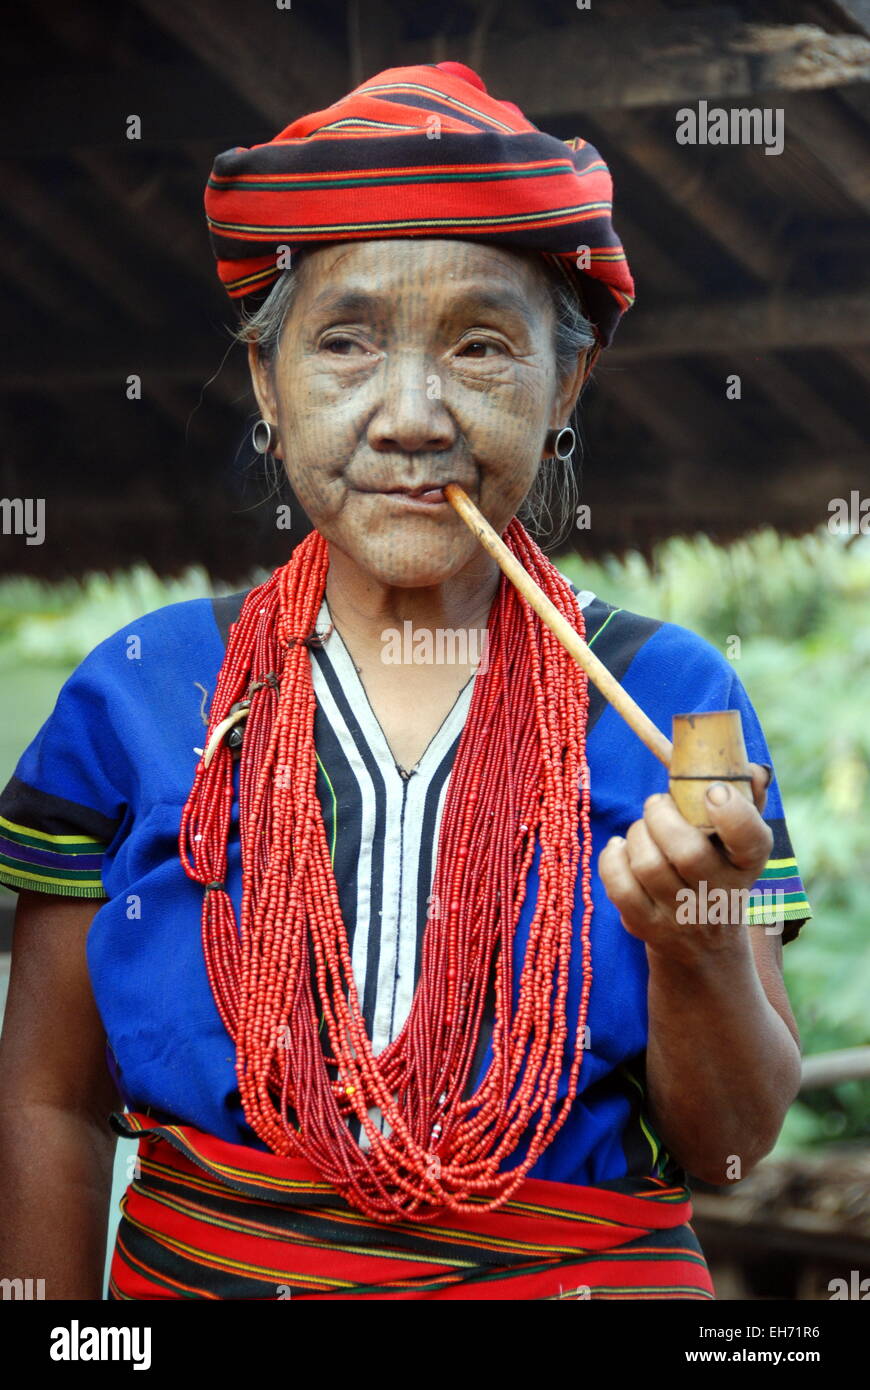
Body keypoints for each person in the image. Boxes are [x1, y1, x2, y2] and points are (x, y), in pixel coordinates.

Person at [0, 61, 812, 1301]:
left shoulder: (670, 693)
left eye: (482, 346)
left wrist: (693, 944)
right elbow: (54, 1102)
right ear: (269, 385)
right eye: (347, 344)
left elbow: (732, 1149)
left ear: (565, 388)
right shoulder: (142, 693)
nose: (412, 415)